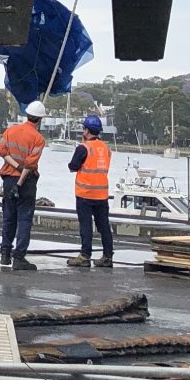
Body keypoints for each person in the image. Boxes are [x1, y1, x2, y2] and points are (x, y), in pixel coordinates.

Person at [0, 100, 47, 270]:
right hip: (25, 182)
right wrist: (20, 182)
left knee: (8, 217)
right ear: (40, 119)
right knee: (24, 219)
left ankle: (5, 254)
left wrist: (15, 169)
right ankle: (19, 257)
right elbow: (30, 164)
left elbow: (2, 152)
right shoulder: (38, 139)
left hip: (8, 178)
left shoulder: (11, 130)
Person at [68, 114, 114, 268]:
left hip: (85, 193)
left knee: (86, 225)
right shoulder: (105, 148)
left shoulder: (83, 148)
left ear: (86, 130)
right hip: (101, 194)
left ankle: (85, 255)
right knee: (104, 226)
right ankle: (108, 256)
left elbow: (72, 166)